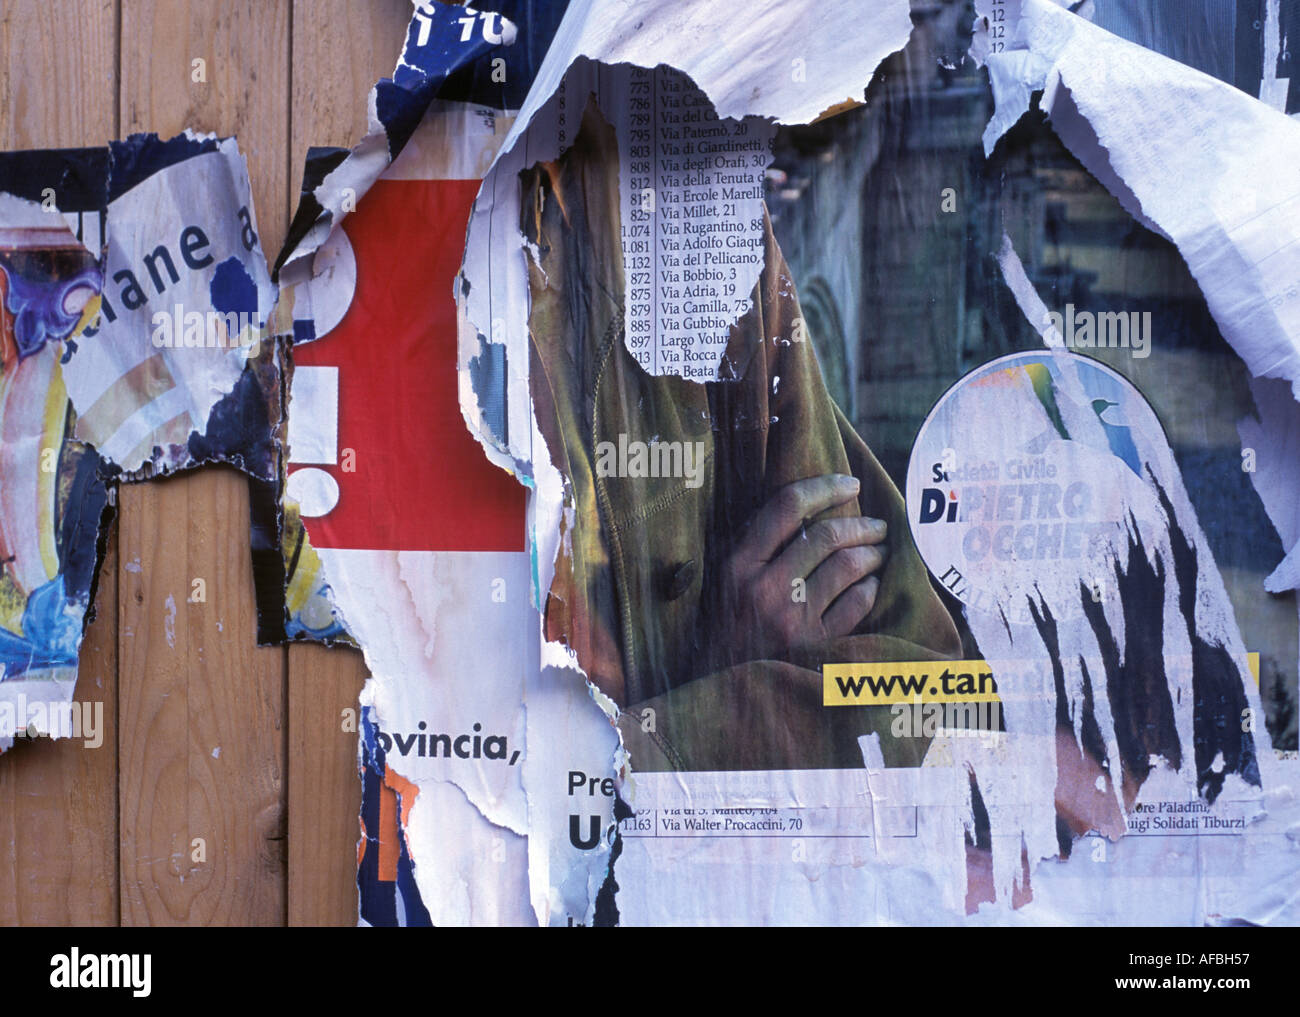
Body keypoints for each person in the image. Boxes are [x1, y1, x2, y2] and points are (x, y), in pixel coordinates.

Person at [525, 102, 962, 771]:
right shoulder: (424, 207)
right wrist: (716, 696)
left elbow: (923, 688)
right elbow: (490, 782)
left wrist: (713, 695)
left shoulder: (692, 187)